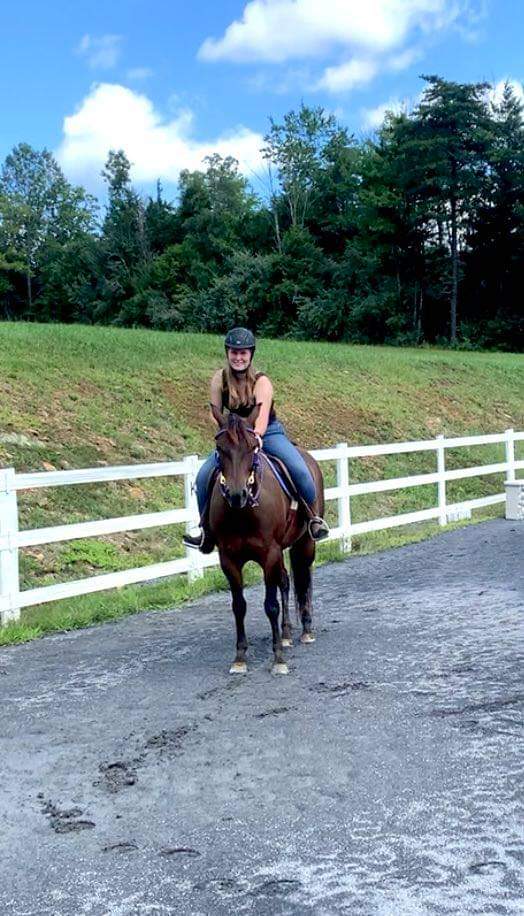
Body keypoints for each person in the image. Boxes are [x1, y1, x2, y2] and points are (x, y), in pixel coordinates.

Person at [183, 327, 330, 552]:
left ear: (251, 354)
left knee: (299, 470)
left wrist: (256, 437)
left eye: (243, 353)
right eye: (234, 352)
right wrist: (226, 434)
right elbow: (214, 413)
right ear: (227, 353)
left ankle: (313, 519)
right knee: (203, 477)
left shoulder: (262, 382)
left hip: (267, 433)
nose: (238, 357)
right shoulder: (218, 379)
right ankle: (206, 531)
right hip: (234, 441)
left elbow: (260, 420)